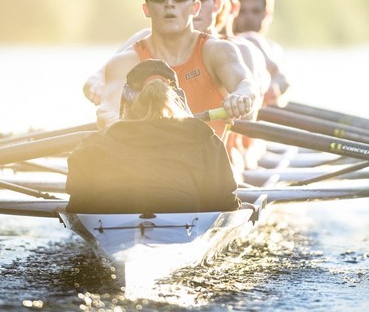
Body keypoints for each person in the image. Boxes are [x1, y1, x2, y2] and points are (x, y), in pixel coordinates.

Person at [95, 0, 258, 136]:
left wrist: (240, 97)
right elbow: (107, 108)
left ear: (195, 8)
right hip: (144, 152)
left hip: (206, 153)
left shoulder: (217, 52)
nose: (169, 3)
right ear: (146, 9)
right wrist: (113, 120)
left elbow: (245, 84)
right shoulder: (125, 62)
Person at [66, 59, 240, 213]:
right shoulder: (204, 138)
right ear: (177, 99)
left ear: (126, 99)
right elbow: (225, 204)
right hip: (183, 219)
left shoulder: (95, 143)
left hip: (110, 221)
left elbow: (78, 206)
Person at [233, 0, 290, 106]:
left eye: (255, 11)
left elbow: (283, 78)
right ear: (233, 11)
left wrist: (273, 88)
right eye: (242, 11)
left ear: (266, 14)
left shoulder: (274, 48)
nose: (248, 17)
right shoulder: (245, 40)